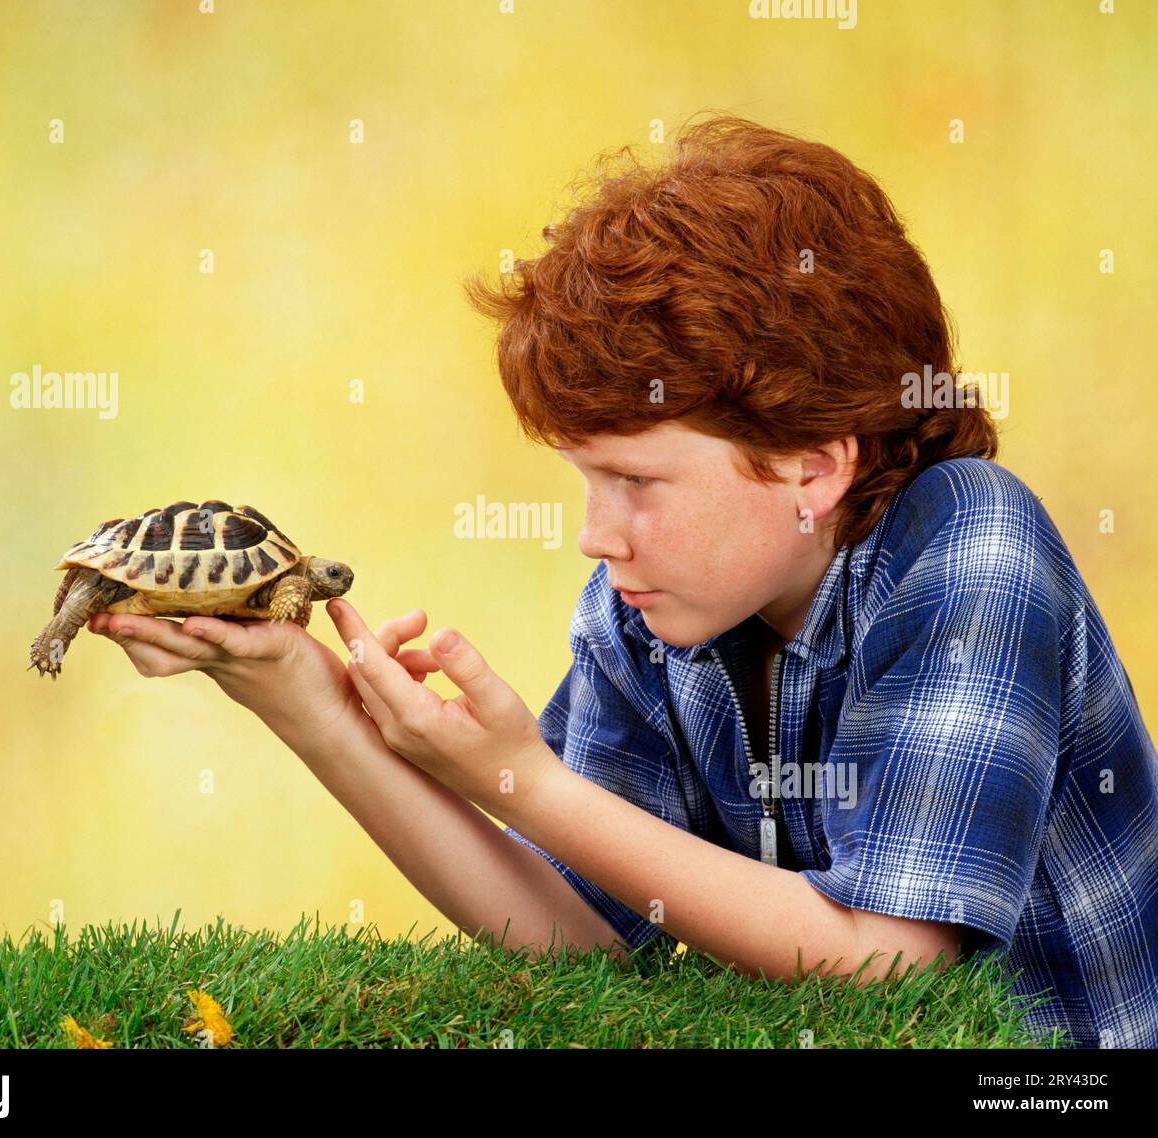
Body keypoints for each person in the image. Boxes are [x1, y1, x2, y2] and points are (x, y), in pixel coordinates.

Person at [88, 115, 1158, 1049]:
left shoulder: (969, 546)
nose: (596, 537)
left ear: (810, 465)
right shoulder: (653, 612)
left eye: (634, 480)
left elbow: (886, 965)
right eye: (584, 479)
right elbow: (579, 942)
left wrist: (527, 782)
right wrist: (302, 693)